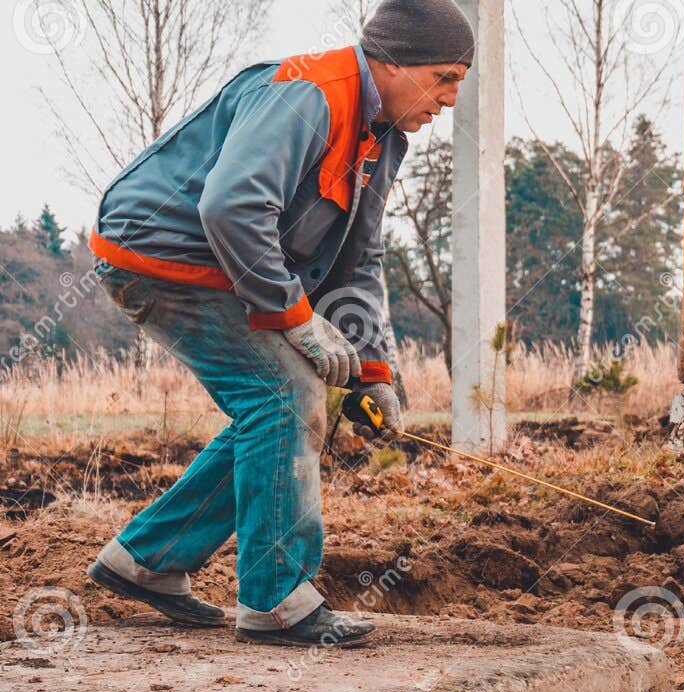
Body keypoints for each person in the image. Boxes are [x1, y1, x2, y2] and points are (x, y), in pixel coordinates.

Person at [84, 0, 474, 647]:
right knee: (286, 394)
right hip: (159, 255)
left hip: (215, 268)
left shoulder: (384, 139)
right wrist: (295, 318)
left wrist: (374, 373)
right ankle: (275, 601)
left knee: (280, 401)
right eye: (445, 77)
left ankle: (149, 559)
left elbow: (359, 259)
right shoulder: (309, 93)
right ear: (396, 62)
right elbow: (233, 205)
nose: (451, 99)